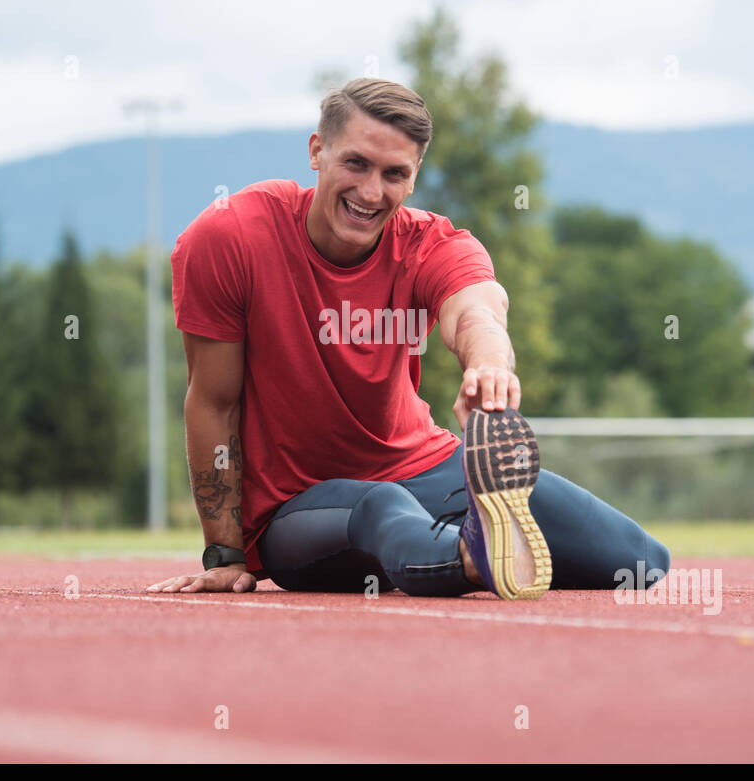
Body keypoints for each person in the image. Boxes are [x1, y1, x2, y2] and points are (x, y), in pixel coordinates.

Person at [147, 78, 669, 600]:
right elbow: (213, 403)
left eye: (394, 173)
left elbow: (478, 313)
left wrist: (487, 370)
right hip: (299, 510)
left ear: (414, 176)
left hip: (421, 465)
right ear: (316, 151)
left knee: (640, 561)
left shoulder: (430, 244)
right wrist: (225, 553)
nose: (372, 192)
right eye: (356, 164)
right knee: (379, 507)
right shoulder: (230, 237)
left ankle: (477, 539)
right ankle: (469, 555)